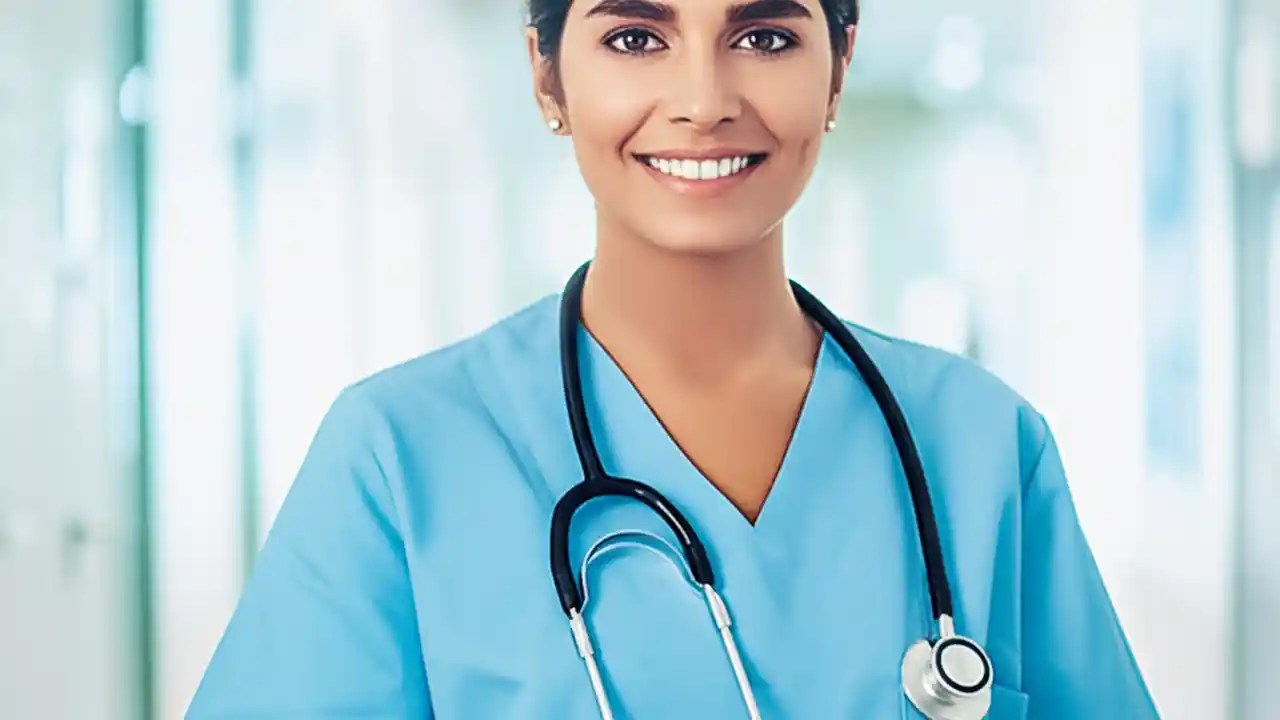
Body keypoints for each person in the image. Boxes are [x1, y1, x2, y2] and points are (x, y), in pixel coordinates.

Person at [188, 0, 1160, 717]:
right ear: (546, 77)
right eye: (635, 37)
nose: (703, 101)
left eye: (764, 37)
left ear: (837, 69)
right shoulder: (398, 458)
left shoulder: (983, 445)